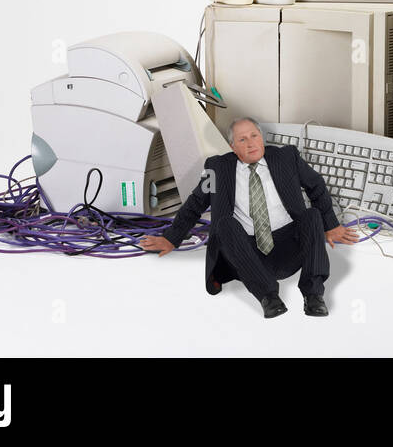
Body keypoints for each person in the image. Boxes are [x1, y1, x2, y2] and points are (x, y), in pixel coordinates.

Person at [139, 117, 359, 318]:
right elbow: (195, 203)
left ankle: (313, 296)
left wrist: (331, 225)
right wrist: (171, 238)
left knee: (312, 215)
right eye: (242, 139)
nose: (251, 143)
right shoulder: (216, 168)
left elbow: (316, 185)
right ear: (233, 147)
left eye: (254, 136)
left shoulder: (287, 157)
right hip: (246, 253)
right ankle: (268, 297)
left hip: (290, 245)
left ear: (261, 138)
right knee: (224, 225)